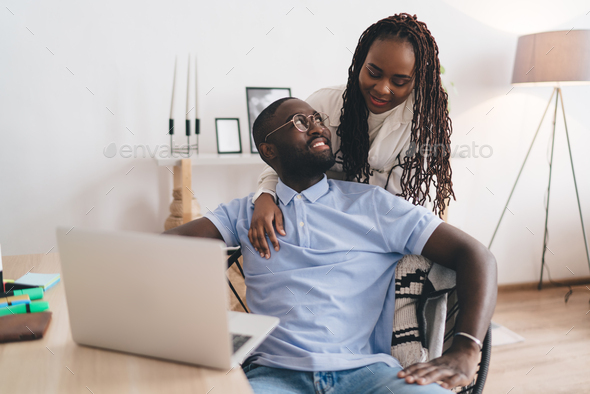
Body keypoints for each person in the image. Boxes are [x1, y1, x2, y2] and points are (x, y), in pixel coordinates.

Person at [164, 97, 497, 393]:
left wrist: (466, 347)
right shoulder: (245, 214)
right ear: (269, 150)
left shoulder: (374, 206)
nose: (316, 127)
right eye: (299, 122)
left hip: (367, 374)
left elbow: (475, 255)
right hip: (274, 376)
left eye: (317, 118)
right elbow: (162, 250)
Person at [249, 13, 455, 259]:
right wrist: (264, 195)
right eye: (374, 73)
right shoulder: (322, 105)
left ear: (416, 82)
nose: (382, 88)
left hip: (385, 236)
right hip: (320, 231)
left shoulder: (424, 126)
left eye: (399, 81)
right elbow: (284, 159)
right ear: (360, 63)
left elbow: (418, 206)